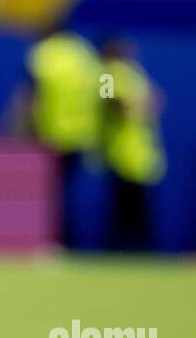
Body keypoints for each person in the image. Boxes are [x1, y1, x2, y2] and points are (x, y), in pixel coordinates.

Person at [24, 27, 101, 249]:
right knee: (70, 193)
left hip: (52, 135)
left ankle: (51, 243)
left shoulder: (43, 53)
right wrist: (108, 101)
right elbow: (104, 80)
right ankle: (71, 242)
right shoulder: (83, 51)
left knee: (50, 194)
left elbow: (33, 94)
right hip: (83, 134)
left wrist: (29, 129)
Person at [99, 38, 164, 251]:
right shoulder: (107, 72)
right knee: (124, 211)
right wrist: (136, 106)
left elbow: (156, 100)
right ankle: (122, 251)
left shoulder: (132, 73)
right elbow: (108, 101)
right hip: (120, 152)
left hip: (137, 153)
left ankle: (138, 251)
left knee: (136, 211)